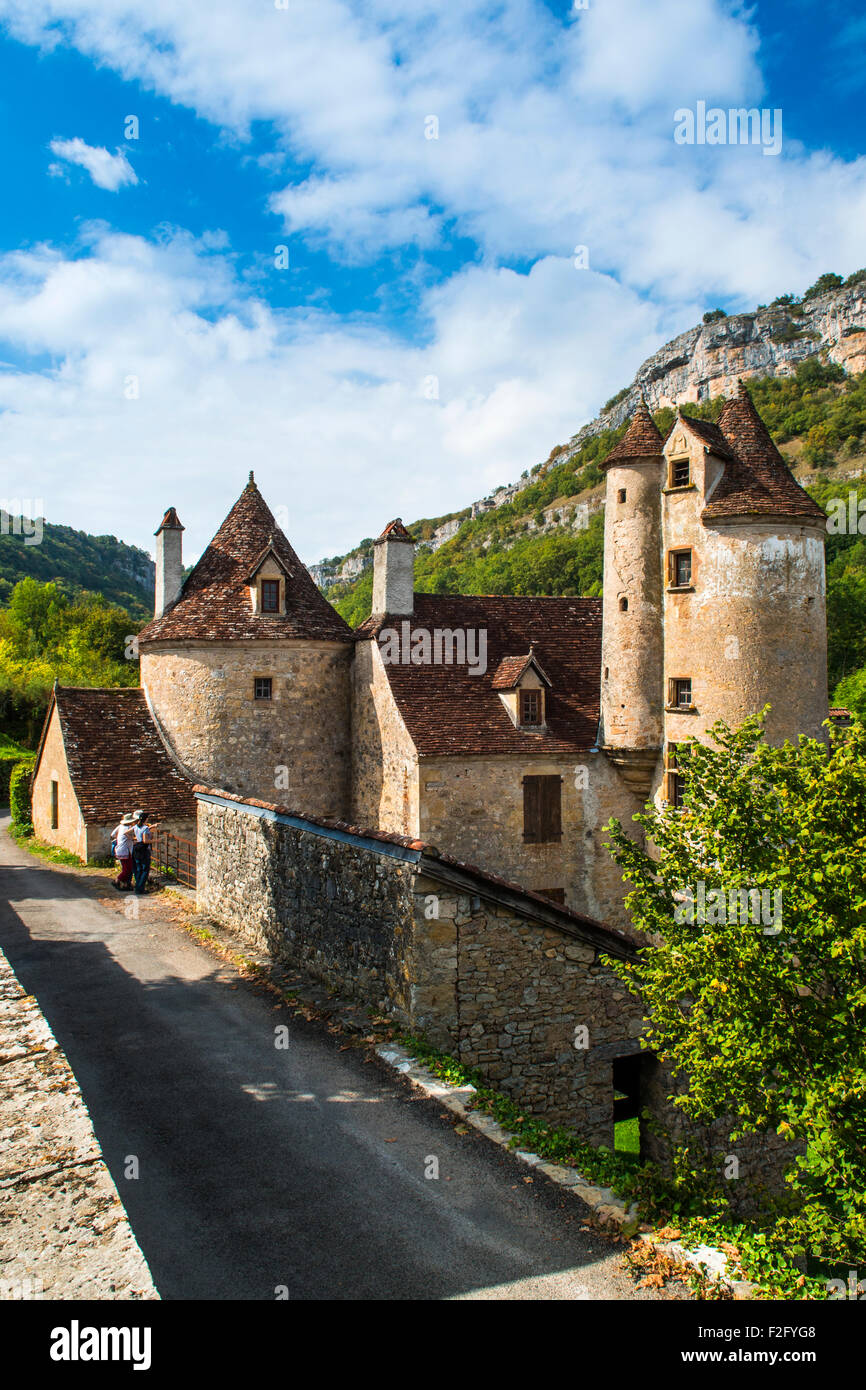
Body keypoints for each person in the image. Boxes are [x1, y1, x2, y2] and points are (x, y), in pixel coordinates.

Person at [112, 812, 137, 890]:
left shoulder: (120, 826)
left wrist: (119, 839)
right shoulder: (128, 829)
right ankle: (117, 880)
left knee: (126, 867)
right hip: (125, 850)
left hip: (120, 849)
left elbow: (112, 834)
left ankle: (126, 885)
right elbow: (132, 838)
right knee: (128, 869)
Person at [132, 810, 154, 896]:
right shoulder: (145, 828)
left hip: (136, 848)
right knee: (145, 869)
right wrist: (156, 840)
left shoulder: (136, 826)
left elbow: (126, 833)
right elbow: (145, 840)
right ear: (146, 819)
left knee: (138, 868)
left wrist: (134, 839)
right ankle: (140, 888)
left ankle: (138, 886)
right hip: (143, 850)